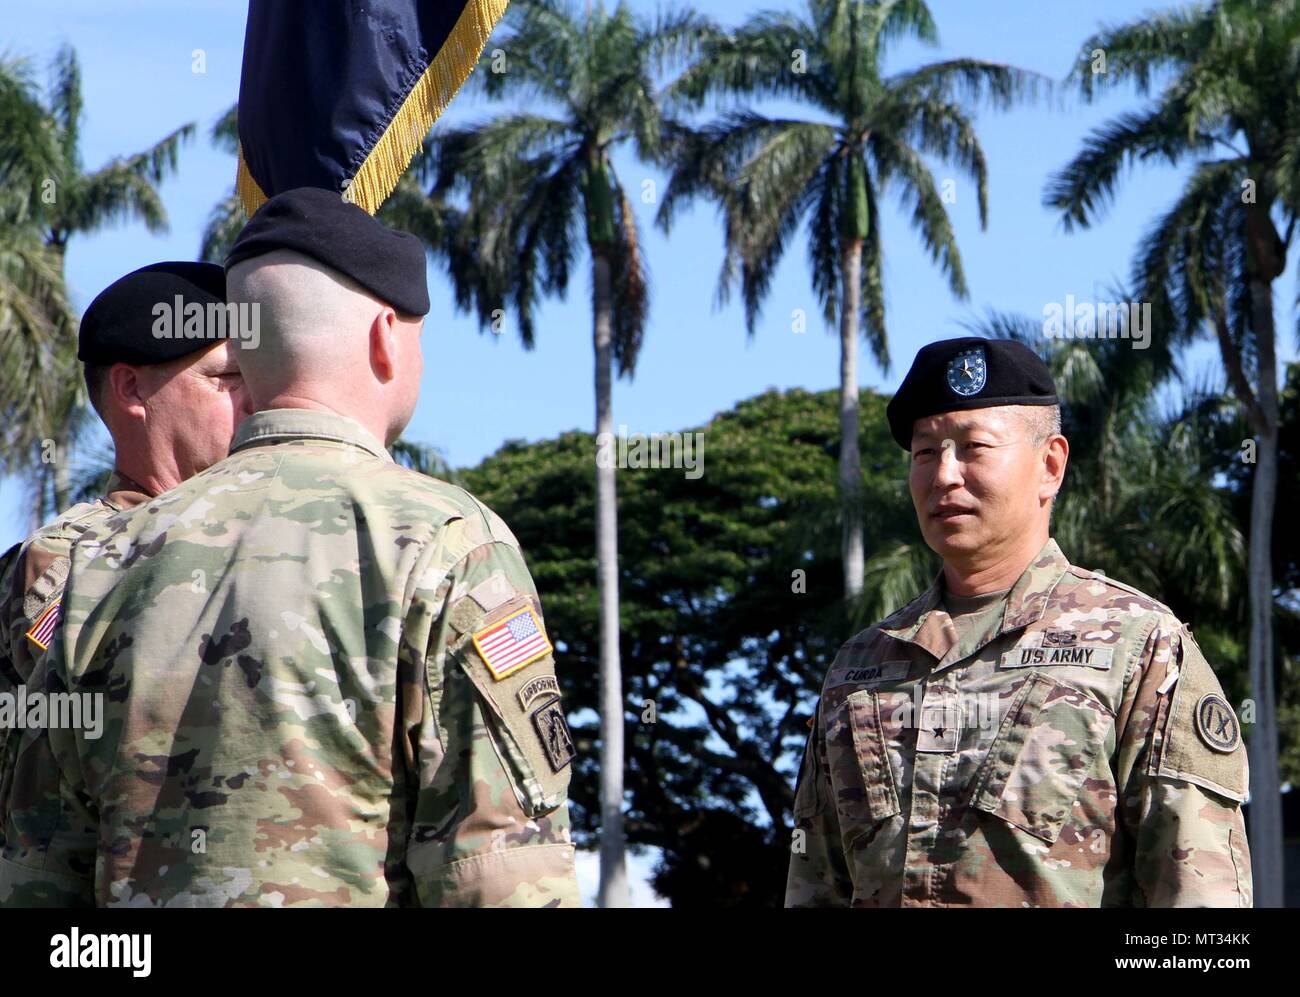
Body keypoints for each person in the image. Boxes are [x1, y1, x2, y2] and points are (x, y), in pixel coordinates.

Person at [1, 188, 579, 907]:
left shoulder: (100, 567)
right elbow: (500, 877)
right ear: (384, 338)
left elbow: (37, 877)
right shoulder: (446, 541)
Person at [785, 337, 1252, 908]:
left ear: (1050, 465)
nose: (944, 475)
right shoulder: (861, 666)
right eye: (925, 452)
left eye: (974, 447)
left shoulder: (1138, 644)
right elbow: (816, 884)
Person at [0, 262, 251, 906]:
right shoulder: (70, 560)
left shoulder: (260, 534)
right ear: (132, 389)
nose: (253, 401)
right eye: (226, 379)